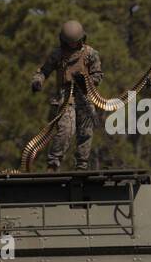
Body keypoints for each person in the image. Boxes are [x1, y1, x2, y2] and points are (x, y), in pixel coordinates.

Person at [31, 20, 103, 170]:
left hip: (85, 97)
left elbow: (98, 76)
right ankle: (53, 163)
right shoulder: (58, 54)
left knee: (86, 132)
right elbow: (44, 71)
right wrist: (38, 81)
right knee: (66, 130)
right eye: (70, 43)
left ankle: (82, 165)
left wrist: (86, 81)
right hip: (65, 98)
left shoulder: (90, 53)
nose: (73, 46)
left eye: (75, 43)